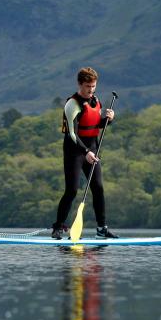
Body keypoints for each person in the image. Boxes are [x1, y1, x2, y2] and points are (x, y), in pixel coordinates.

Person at [52, 67, 118, 239]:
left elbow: (96, 125)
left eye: (93, 86)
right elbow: (71, 134)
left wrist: (108, 120)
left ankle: (101, 229)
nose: (91, 90)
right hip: (74, 151)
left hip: (92, 149)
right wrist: (86, 151)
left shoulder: (96, 101)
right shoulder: (72, 105)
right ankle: (57, 227)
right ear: (80, 84)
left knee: (98, 188)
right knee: (72, 190)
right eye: (88, 86)